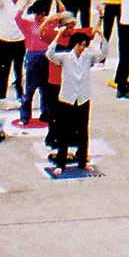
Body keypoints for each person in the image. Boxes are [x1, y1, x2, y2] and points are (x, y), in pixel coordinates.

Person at [45, 28, 103, 170]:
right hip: (67, 98)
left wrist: (102, 37)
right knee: (64, 130)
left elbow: (103, 54)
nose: (81, 48)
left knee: (83, 130)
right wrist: (58, 35)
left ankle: (83, 161)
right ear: (74, 44)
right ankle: (60, 163)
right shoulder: (65, 57)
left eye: (84, 45)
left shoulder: (88, 56)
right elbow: (49, 53)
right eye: (79, 45)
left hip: (83, 97)